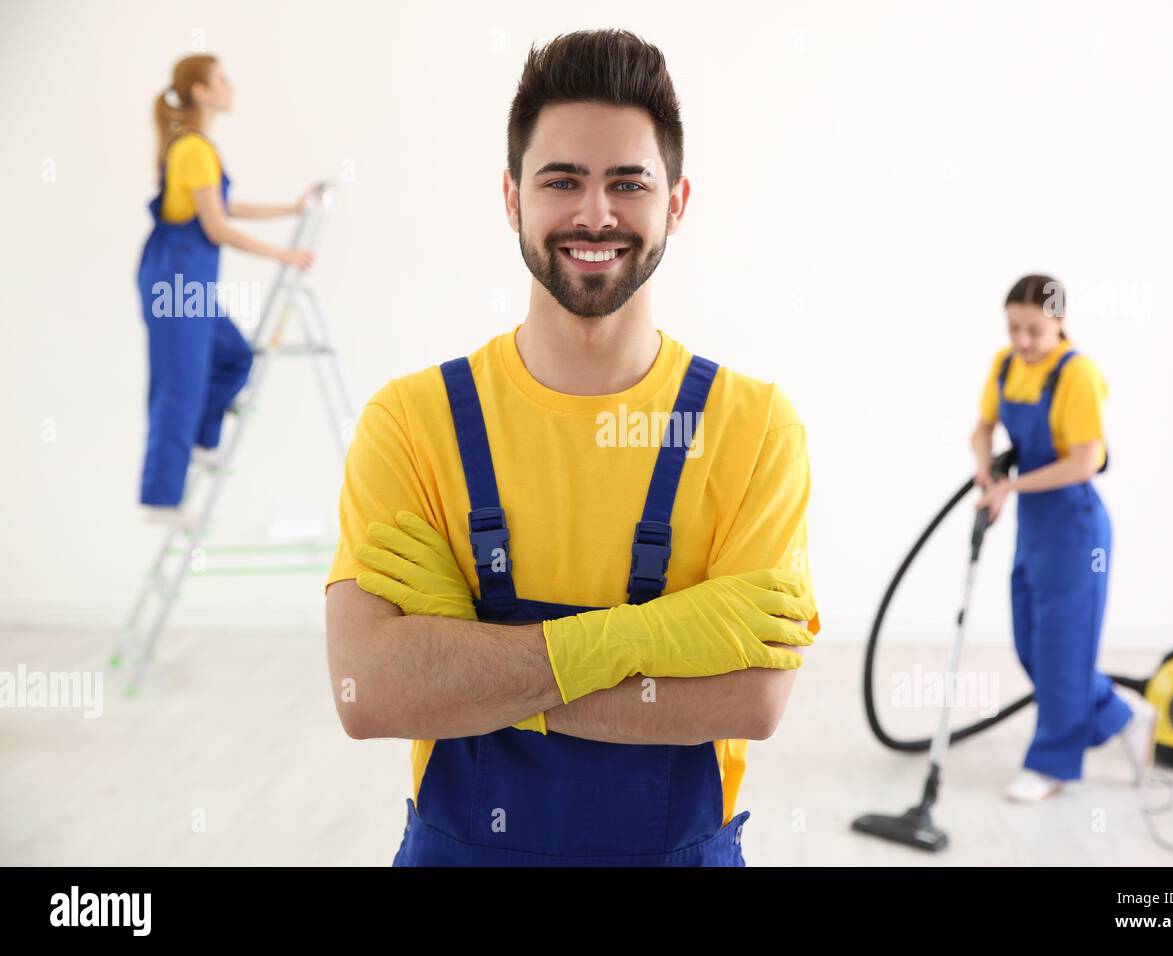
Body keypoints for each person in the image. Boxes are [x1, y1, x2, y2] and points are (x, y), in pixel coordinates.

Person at [324, 29, 820, 866]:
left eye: (629, 182)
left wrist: (468, 664)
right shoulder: (410, 422)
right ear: (512, 197)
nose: (595, 215)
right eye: (562, 181)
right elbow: (368, 691)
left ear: (677, 202)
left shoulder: (754, 428)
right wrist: (653, 639)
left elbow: (753, 701)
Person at [970, 274, 1156, 803]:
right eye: (1013, 328)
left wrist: (1009, 486)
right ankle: (1123, 716)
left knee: (1062, 650)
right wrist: (986, 468)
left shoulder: (1078, 375)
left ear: (1060, 321)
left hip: (1076, 531)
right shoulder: (1005, 366)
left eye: (1034, 329)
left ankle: (1051, 765)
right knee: (1032, 645)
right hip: (1034, 528)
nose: (1022, 341)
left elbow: (1082, 462)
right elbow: (981, 428)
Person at [137, 54, 316, 530]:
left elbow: (223, 207)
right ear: (201, 91)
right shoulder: (194, 148)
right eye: (222, 80)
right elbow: (216, 228)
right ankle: (162, 500)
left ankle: (199, 441)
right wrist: (282, 254)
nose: (230, 86)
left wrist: (289, 209)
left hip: (189, 281)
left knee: (234, 356)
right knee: (179, 382)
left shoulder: (198, 148)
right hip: (175, 281)